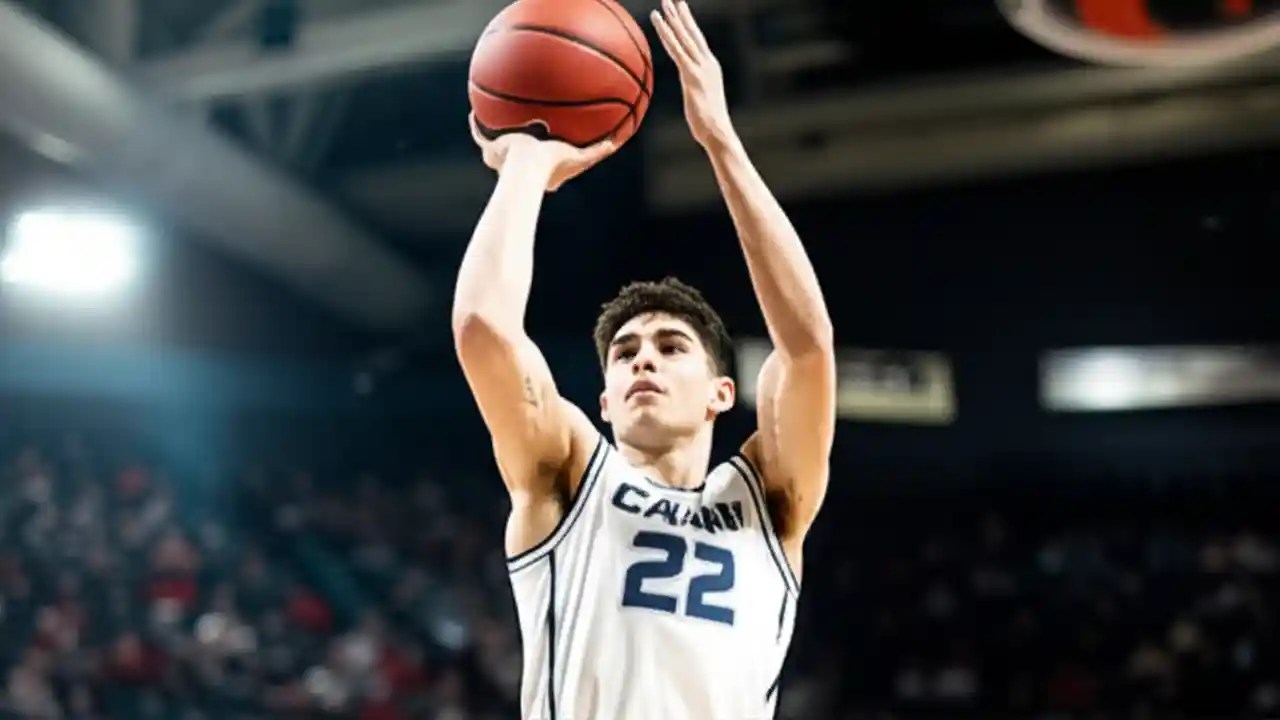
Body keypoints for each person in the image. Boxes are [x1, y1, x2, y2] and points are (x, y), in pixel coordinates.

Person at [451, 1, 836, 717]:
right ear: (603, 400)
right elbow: (482, 329)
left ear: (723, 393)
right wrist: (527, 165)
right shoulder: (569, 479)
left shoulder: (769, 504)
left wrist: (720, 140)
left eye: (669, 346)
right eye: (624, 353)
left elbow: (808, 347)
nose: (642, 362)